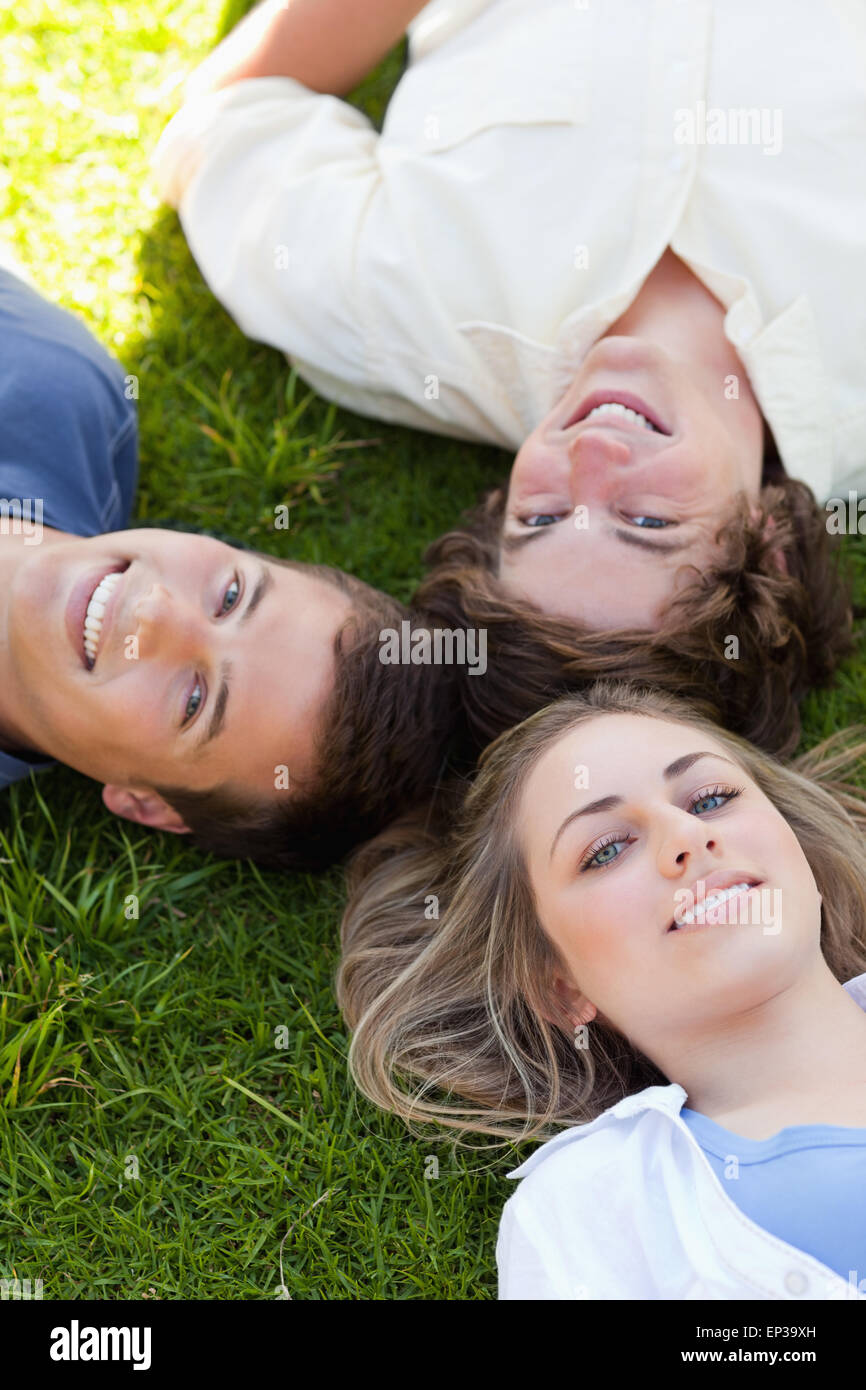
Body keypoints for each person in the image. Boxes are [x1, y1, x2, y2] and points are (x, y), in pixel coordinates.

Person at [152, 0, 864, 753]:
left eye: (542, 517)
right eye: (648, 523)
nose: (589, 458)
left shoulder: (395, 317)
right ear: (772, 550)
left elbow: (226, 123)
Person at [337, 683, 866, 1299]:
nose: (686, 837)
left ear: (799, 852)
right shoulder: (590, 1208)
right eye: (607, 850)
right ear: (559, 987)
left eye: (711, 798)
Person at [0, 262, 462, 870]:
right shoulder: (56, 390)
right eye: (230, 597)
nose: (157, 612)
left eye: (194, 701)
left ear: (146, 804)